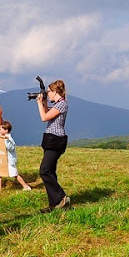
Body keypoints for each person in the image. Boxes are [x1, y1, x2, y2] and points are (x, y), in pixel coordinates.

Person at [36, 80, 70, 213]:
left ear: (55, 92)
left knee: (44, 171)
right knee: (50, 172)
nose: (47, 94)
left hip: (56, 141)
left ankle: (61, 197)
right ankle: (54, 204)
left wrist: (39, 103)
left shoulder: (62, 105)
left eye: (49, 92)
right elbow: (47, 112)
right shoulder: (57, 105)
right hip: (51, 140)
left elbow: (44, 117)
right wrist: (43, 102)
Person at [0, 120, 31, 191]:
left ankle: (25, 186)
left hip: (9, 160)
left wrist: (6, 140)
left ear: (6, 130)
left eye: (0, 129)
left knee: (14, 174)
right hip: (3, 159)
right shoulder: (1, 137)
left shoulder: (9, 139)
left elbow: (10, 147)